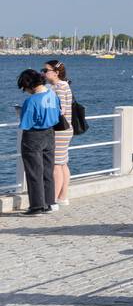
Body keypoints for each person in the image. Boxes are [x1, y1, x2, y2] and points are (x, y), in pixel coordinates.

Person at [16, 69, 61, 215]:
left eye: (24, 88)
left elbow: (26, 123)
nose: (25, 91)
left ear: (29, 85)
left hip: (34, 136)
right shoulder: (53, 95)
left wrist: (20, 112)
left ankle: (36, 206)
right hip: (50, 133)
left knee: (34, 172)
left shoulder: (31, 100)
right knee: (48, 170)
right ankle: (49, 203)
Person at [42, 59, 74, 207]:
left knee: (56, 164)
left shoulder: (59, 87)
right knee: (62, 164)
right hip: (66, 129)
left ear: (56, 73)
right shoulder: (62, 85)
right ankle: (63, 196)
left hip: (60, 130)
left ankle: (53, 199)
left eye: (45, 70)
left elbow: (61, 110)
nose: (43, 73)